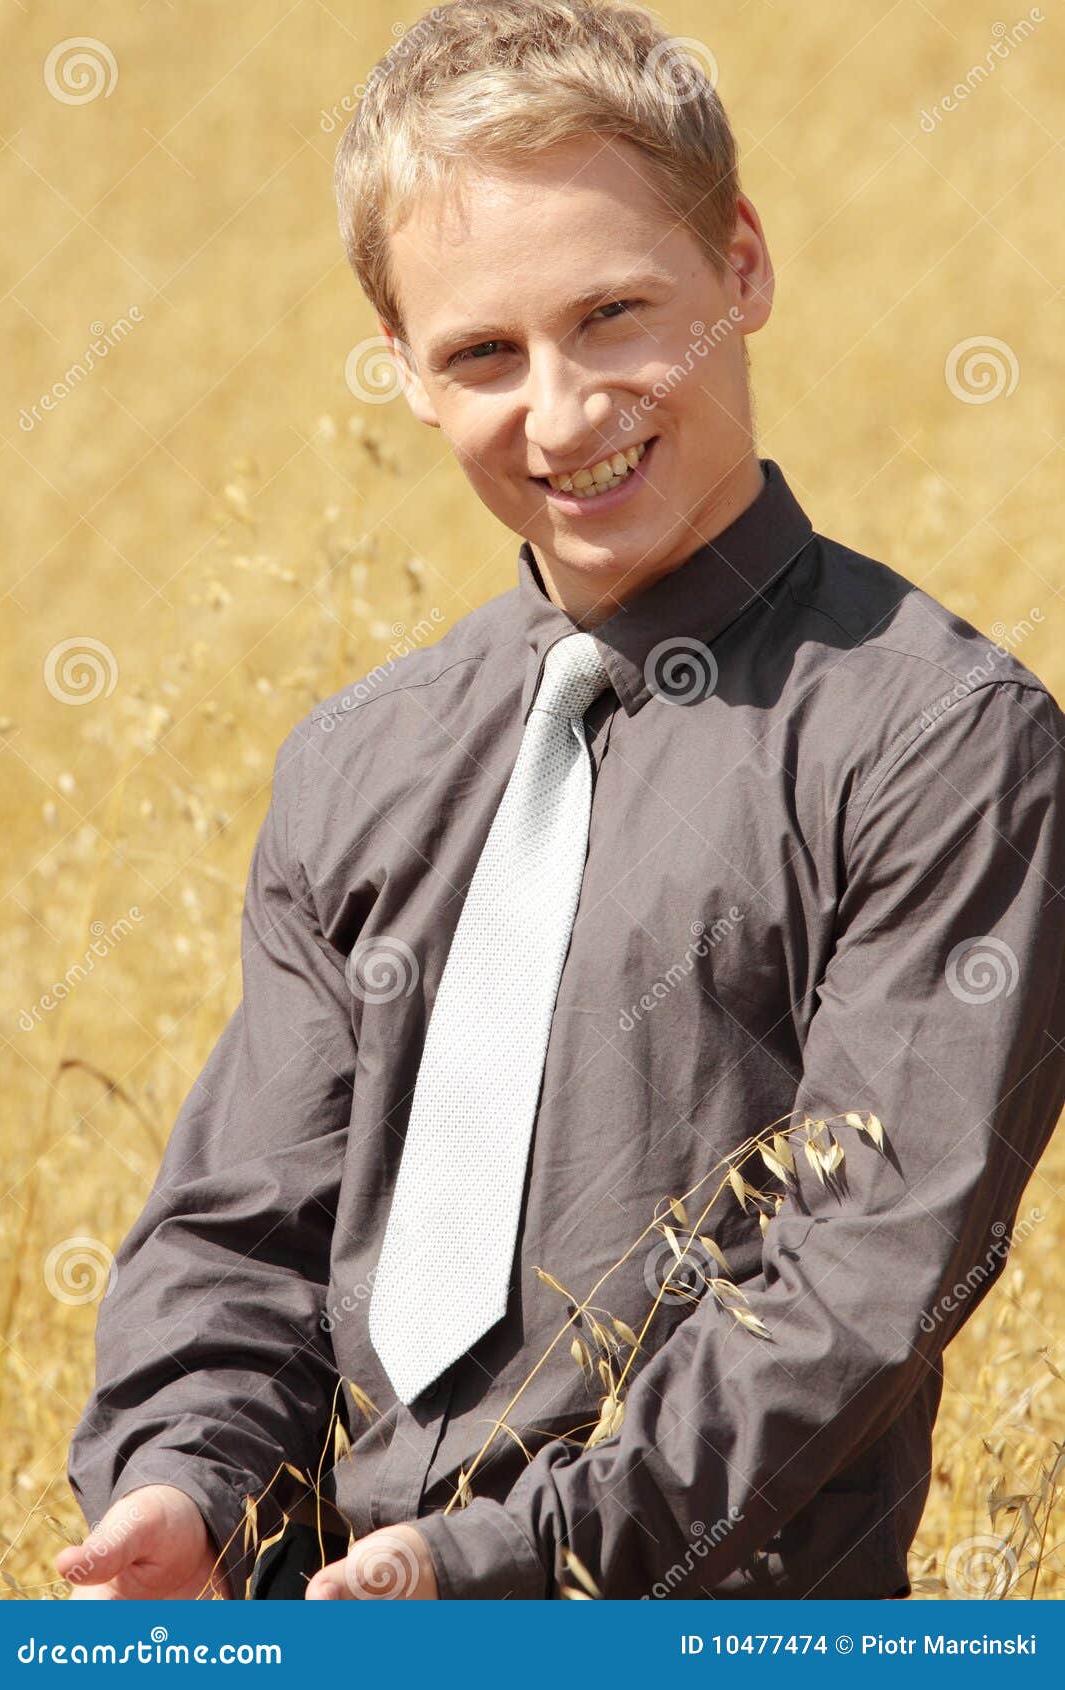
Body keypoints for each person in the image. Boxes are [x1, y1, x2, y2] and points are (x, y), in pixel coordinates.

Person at [58, 0, 1065, 1603]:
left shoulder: (939, 739)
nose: (565, 411)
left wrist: (497, 1566)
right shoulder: (360, 763)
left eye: (615, 314)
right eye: (481, 353)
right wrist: (185, 1478)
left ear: (742, 265)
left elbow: (863, 1278)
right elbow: (246, 1230)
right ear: (399, 366)